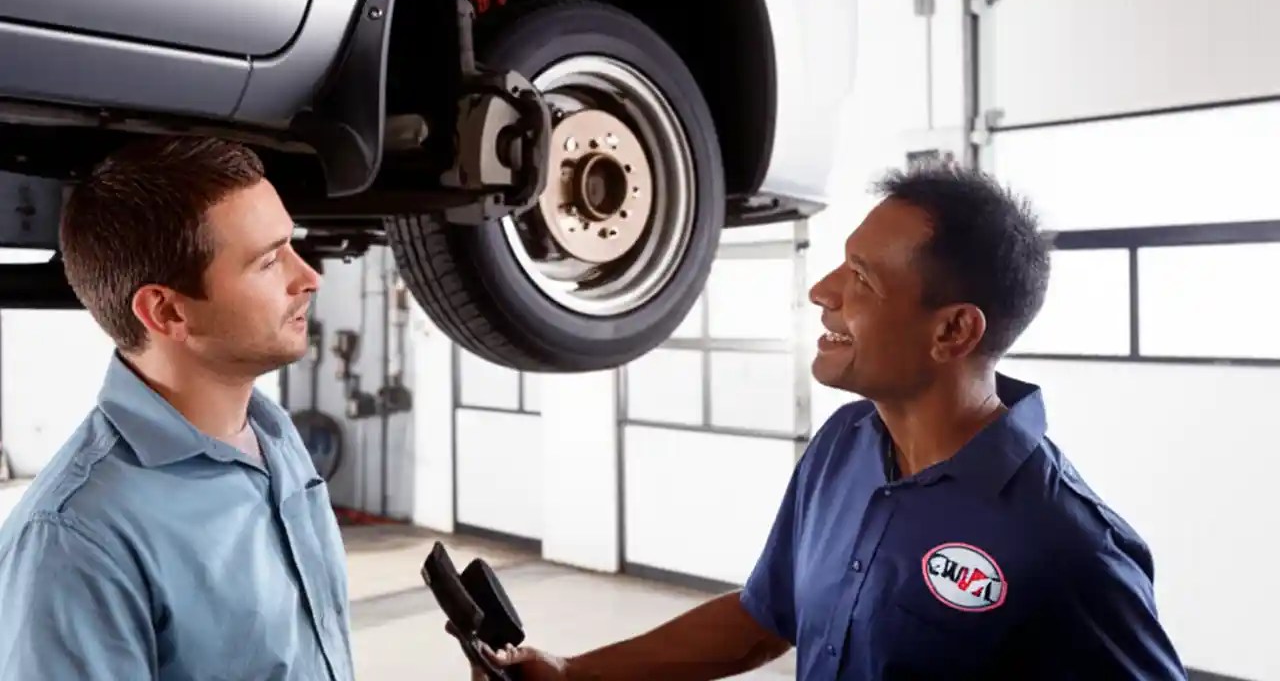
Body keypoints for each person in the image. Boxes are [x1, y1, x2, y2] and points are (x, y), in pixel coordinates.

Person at [468, 164, 1188, 680]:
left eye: (862, 279)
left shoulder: (1069, 548)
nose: (822, 292)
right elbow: (763, 617)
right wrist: (571, 676)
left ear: (954, 332)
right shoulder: (844, 446)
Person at [0, 137, 353, 680]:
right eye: (267, 262)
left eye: (292, 246)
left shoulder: (272, 434)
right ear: (166, 311)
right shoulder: (75, 540)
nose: (308, 278)